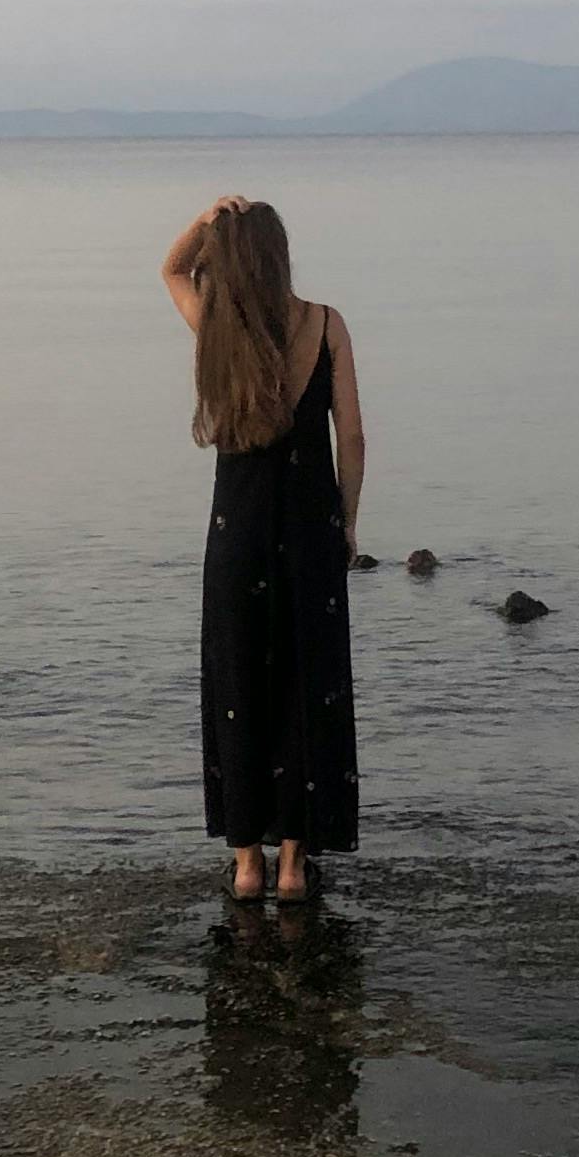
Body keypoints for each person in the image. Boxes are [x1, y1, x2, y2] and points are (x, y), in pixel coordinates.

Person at [160, 195, 364, 904]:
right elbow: (352, 436)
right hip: (309, 531)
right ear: (281, 256)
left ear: (229, 263)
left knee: (240, 686)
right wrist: (347, 523)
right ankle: (292, 867)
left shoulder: (219, 331)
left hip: (237, 537)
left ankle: (247, 864)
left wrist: (205, 223)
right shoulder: (327, 324)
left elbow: (170, 270)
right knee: (307, 685)